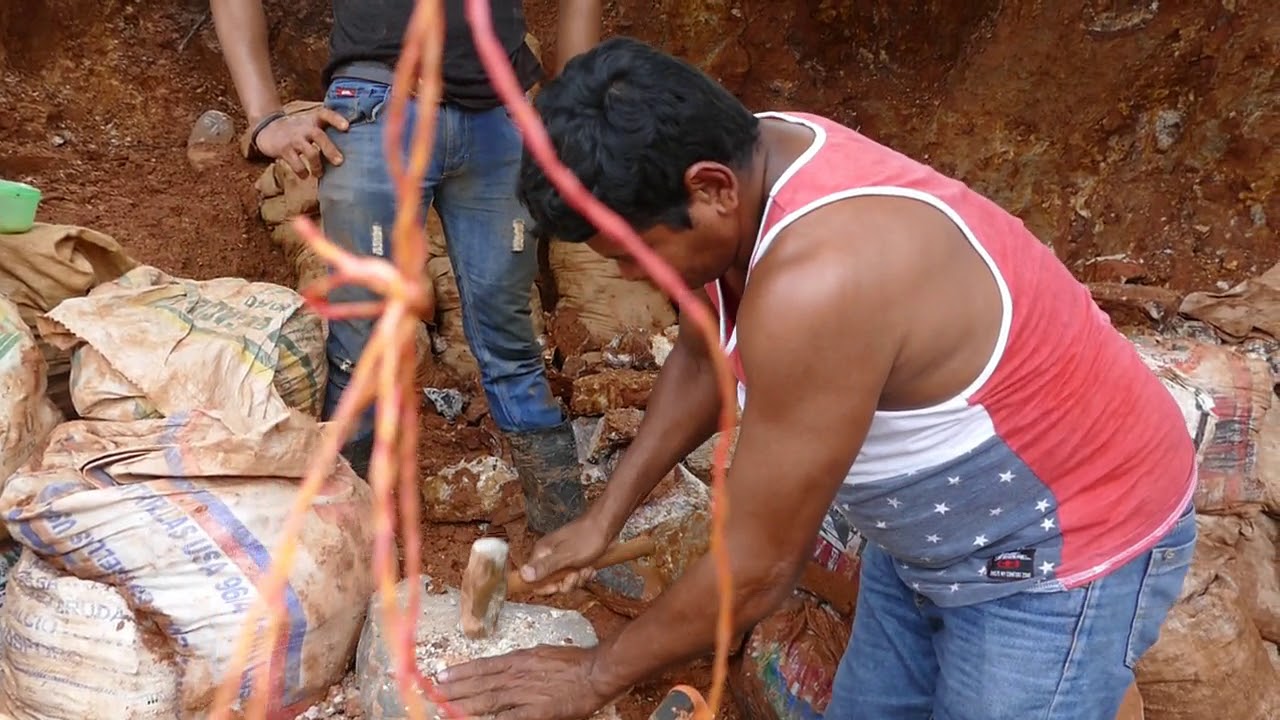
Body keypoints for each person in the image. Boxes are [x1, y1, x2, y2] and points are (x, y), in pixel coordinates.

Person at [434, 36, 1198, 720]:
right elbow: (705, 350)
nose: (637, 274)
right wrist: (606, 517)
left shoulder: (821, 281)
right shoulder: (747, 158)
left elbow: (761, 567)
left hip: (1060, 551)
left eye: (637, 252)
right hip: (931, 543)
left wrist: (595, 674)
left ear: (710, 190)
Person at [208, 0, 601, 534]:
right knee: (360, 348)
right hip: (375, 110)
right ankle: (343, 543)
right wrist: (263, 120)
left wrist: (572, 114)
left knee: (513, 344)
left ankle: (568, 537)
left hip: (499, 118)